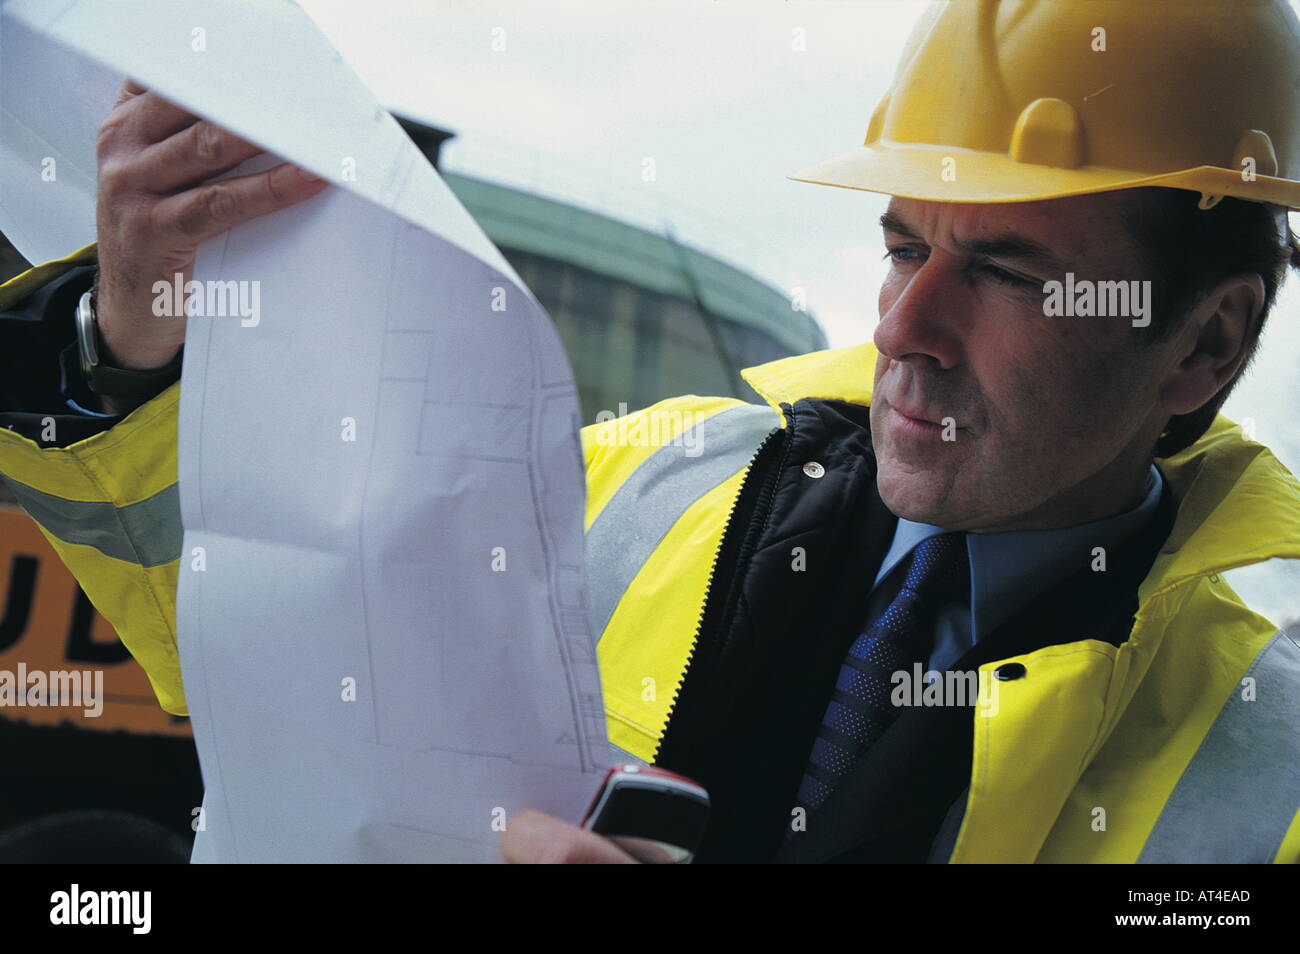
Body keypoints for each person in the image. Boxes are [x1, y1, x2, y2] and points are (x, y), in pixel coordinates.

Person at [1, 0, 1298, 864]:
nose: (908, 321)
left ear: (1204, 343)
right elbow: (253, 632)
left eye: (1007, 270)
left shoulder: (1272, 778)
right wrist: (131, 356)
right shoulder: (637, 483)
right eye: (902, 243)